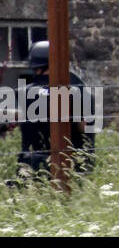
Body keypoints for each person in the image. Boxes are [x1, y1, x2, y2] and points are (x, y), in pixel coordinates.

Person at [14, 40, 97, 181]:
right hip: (75, 167)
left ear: (37, 67)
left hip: (31, 166)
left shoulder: (23, 93)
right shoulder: (81, 90)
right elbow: (86, 127)